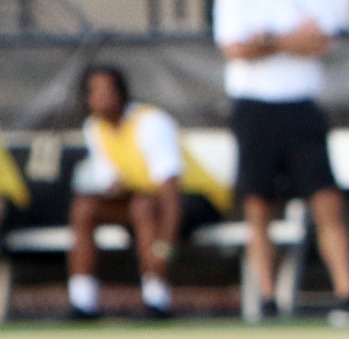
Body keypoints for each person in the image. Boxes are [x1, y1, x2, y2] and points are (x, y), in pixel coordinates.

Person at [212, 0, 349, 326]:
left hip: (301, 108)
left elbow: (320, 41)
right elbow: (236, 48)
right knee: (259, 206)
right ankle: (266, 297)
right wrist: (287, 39)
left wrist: (268, 39)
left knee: (326, 200)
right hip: (255, 109)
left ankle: (346, 294)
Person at [70, 64, 233, 320]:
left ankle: (157, 299)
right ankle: (82, 301)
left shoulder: (150, 122)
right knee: (85, 208)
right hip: (146, 201)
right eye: (93, 91)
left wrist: (165, 248)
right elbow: (115, 184)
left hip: (197, 199)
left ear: (121, 92)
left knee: (143, 206)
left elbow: (170, 191)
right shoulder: (94, 128)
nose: (100, 98)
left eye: (107, 90)